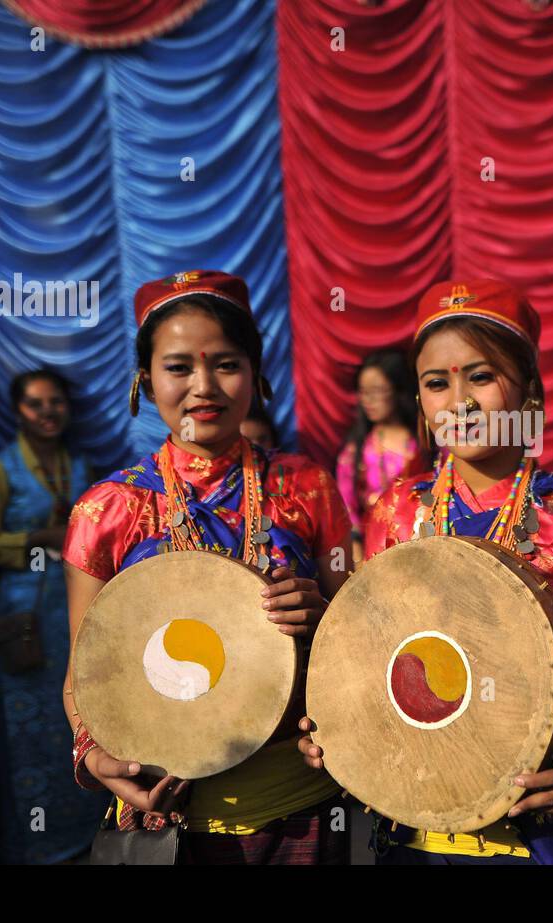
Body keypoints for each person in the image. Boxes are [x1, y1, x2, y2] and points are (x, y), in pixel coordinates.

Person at [299, 279, 553, 865]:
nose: (458, 402)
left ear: (530, 395)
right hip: (418, 830)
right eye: (437, 384)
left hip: (548, 831)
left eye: (481, 377)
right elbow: (378, 662)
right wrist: (335, 724)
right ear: (420, 403)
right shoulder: (394, 514)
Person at [62, 270, 353, 865]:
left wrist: (325, 616)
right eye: (178, 368)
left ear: (257, 374)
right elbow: (84, 678)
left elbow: (358, 650)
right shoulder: (108, 509)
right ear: (144, 381)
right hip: (170, 810)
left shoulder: (307, 486)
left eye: (225, 363)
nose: (203, 387)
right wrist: (95, 757)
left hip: (302, 803)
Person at [0, 369, 105, 863]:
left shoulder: (82, 466)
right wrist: (34, 541)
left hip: (75, 617)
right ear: (17, 411)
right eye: (36, 405)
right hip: (24, 622)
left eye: (56, 403)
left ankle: (89, 835)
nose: (48, 413)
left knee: (84, 723)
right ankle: (41, 848)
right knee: (31, 736)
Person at [334, 350, 425, 564]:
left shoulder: (424, 444)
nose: (368, 400)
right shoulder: (356, 452)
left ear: (398, 389)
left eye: (376, 391)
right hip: (374, 552)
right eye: (363, 392)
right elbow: (347, 512)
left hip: (426, 543)